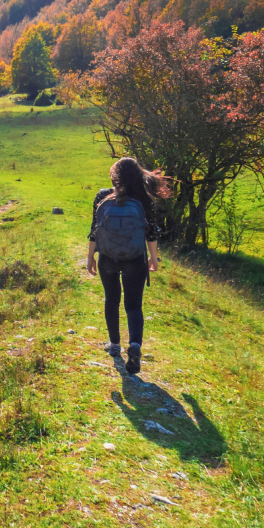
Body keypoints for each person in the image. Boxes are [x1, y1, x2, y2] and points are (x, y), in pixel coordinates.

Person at [85, 156, 168, 375]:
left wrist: (90, 256)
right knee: (133, 305)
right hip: (135, 258)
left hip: (107, 257)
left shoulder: (103, 196)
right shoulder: (143, 198)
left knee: (111, 299)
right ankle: (135, 346)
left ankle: (114, 345)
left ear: (115, 176)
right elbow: (152, 231)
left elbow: (95, 228)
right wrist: (153, 257)